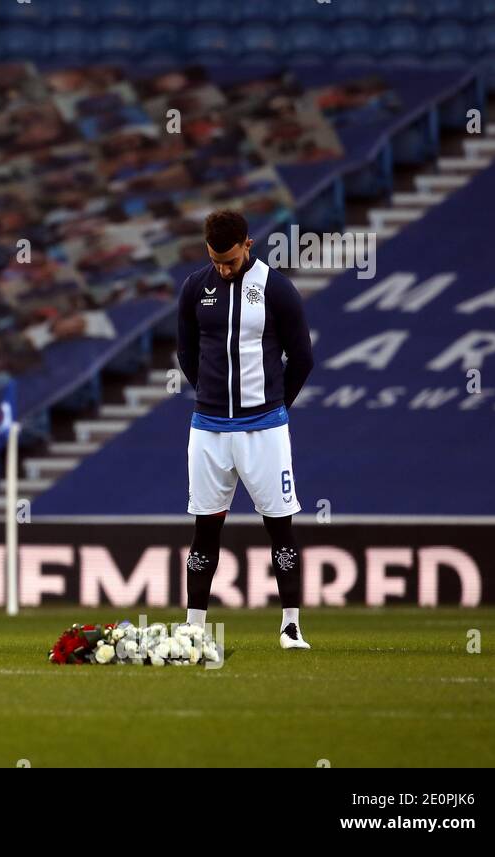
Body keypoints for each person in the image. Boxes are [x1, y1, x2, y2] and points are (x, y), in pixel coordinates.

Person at [176, 210, 315, 650]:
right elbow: (186, 352)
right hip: (209, 428)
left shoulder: (276, 288)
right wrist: (212, 396)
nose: (223, 268)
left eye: (230, 260)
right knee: (205, 526)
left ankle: (290, 626)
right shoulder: (196, 288)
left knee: (279, 525)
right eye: (216, 260)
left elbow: (302, 357)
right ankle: (194, 626)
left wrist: (274, 407)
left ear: (248, 245)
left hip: (265, 429)